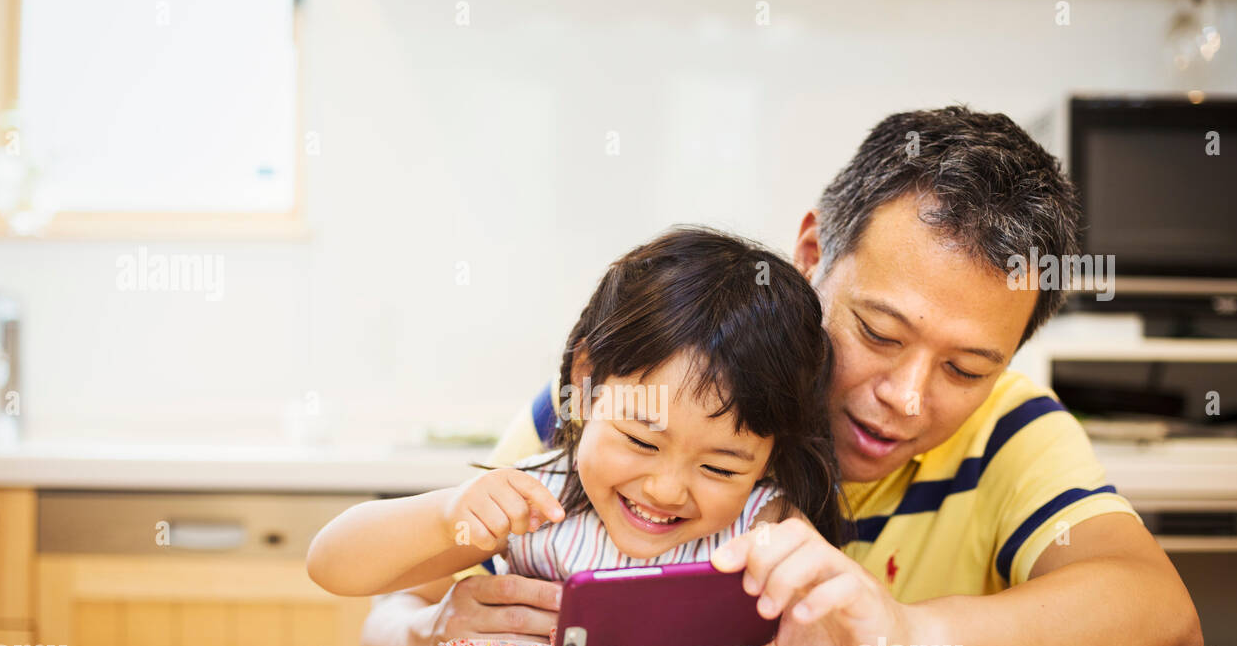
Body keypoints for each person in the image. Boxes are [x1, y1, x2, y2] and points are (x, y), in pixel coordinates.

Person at [362, 105, 1203, 646]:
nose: (906, 398)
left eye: (966, 368)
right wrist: (430, 632)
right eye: (878, 333)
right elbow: (384, 615)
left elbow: (1161, 620)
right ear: (810, 253)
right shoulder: (638, 412)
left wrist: (904, 639)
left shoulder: (1009, 427)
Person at [308, 228, 843, 619]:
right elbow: (332, 566)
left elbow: (829, 636)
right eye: (640, 440)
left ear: (769, 457)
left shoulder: (761, 523)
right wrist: (447, 514)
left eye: (721, 468)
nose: (665, 489)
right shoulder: (538, 506)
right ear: (585, 384)